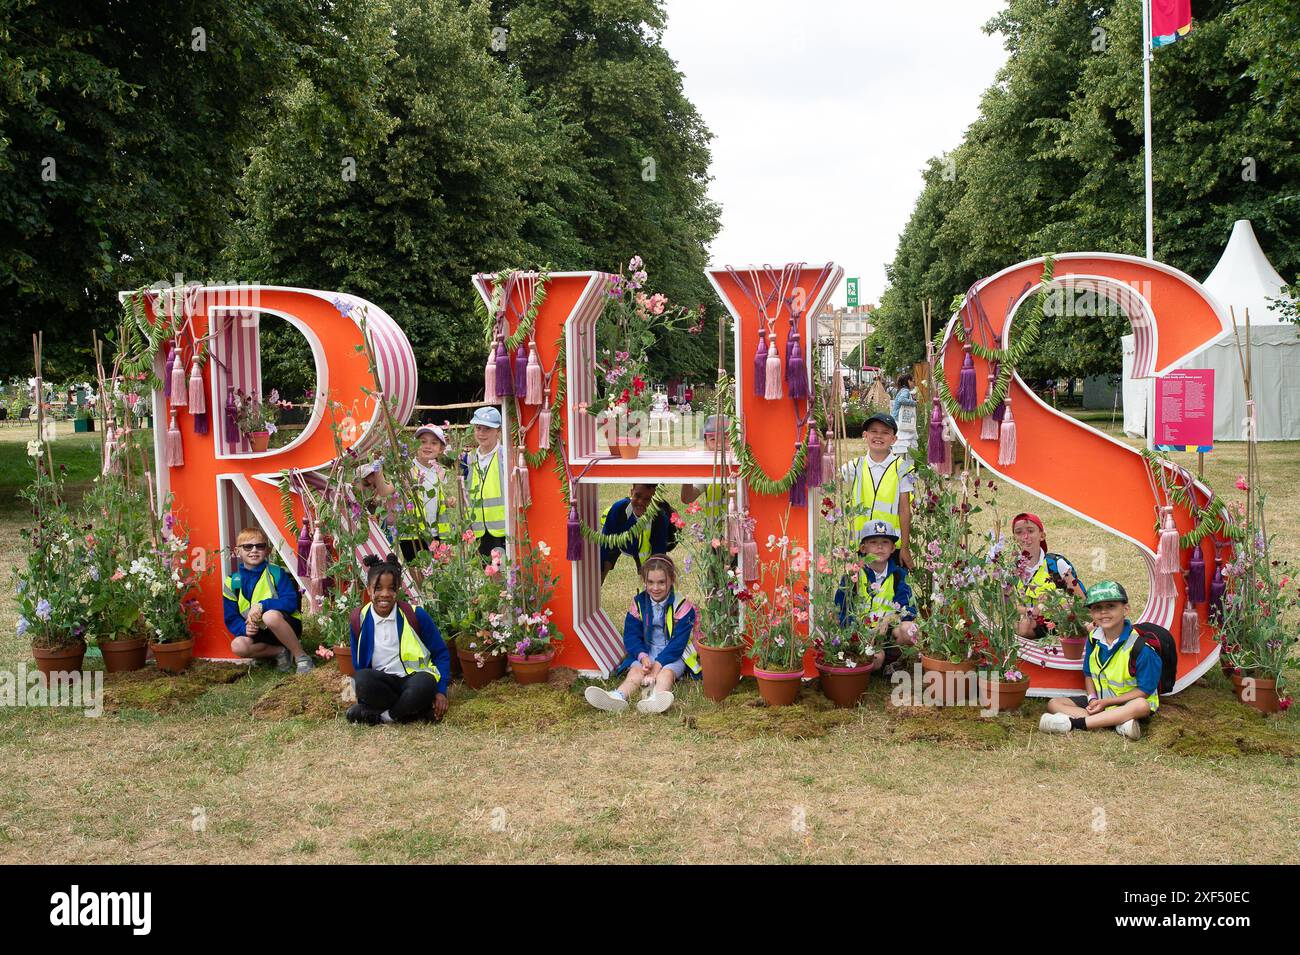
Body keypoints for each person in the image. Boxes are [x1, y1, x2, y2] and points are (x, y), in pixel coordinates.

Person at [1038, 581, 1161, 741]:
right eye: (1097, 608)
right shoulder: (1093, 638)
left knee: (1141, 705)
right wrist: (1093, 699)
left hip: (1129, 702)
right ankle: (1117, 722)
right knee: (1054, 704)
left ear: (1125, 609)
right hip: (1102, 700)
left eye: (1111, 606)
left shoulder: (1141, 648)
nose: (1104, 612)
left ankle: (1074, 724)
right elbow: (1088, 673)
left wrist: (1107, 702)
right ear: (1091, 613)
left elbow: (1144, 691)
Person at [585, 554, 699, 714]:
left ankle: (655, 699)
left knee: (665, 675)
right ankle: (618, 696)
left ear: (672, 579)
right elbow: (631, 635)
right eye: (650, 582)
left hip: (673, 655)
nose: (655, 588)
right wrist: (642, 656)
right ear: (644, 581)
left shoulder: (682, 606)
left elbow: (678, 643)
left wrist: (658, 666)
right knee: (636, 672)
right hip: (647, 651)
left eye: (661, 582)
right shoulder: (639, 603)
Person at [346, 553, 451, 725]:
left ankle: (384, 716)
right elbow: (358, 664)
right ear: (369, 589)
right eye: (378, 588)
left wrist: (441, 691)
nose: (385, 594)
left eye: (391, 588)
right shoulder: (359, 619)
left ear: (398, 590)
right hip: (385, 685)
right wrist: (359, 697)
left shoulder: (415, 615)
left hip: (413, 680)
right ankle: (414, 711)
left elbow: (441, 654)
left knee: (426, 682)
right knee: (359, 680)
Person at [223, 527, 313, 673]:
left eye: (260, 546)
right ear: (237, 551)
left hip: (285, 625)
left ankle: (301, 657)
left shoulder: (277, 573)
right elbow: (231, 617)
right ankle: (280, 651)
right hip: (258, 632)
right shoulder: (232, 582)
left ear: (268, 551)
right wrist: (244, 628)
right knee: (238, 646)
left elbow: (290, 602)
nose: (254, 550)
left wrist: (263, 605)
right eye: (247, 546)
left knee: (269, 615)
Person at [834, 521, 919, 673]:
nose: (880, 547)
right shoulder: (853, 575)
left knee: (909, 630)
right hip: (862, 635)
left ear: (893, 548)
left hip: (887, 633)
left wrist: (887, 619)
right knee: (875, 660)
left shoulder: (899, 575)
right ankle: (874, 663)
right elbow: (841, 611)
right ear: (863, 548)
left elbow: (909, 610)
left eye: (885, 542)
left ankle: (892, 661)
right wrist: (858, 633)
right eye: (873, 542)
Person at [843, 411, 914, 568]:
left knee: (892, 589)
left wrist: (905, 547)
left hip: (890, 546)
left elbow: (904, 510)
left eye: (885, 432)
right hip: (861, 545)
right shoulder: (854, 466)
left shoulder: (901, 469)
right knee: (861, 590)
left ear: (894, 439)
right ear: (865, 435)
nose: (879, 436)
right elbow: (828, 477)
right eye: (874, 431)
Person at [1007, 512, 1085, 639]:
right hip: (1032, 623)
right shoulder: (1012, 570)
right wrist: (1032, 611)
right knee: (1021, 625)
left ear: (1042, 536)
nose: (1025, 536)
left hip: (1062, 621)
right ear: (1014, 539)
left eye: (1030, 531)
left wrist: (1053, 605)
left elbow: (1081, 599)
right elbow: (1009, 606)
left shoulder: (1056, 564)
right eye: (1019, 532)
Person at [599, 483, 679, 583]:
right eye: (637, 495)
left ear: (656, 501)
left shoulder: (660, 520)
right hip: (623, 537)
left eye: (647, 499)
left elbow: (658, 560)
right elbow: (604, 548)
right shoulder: (618, 509)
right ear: (631, 492)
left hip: (651, 543)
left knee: (651, 574)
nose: (641, 502)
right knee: (601, 565)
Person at [461, 406, 507, 559]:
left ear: (498, 430)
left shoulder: (504, 456)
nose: (481, 433)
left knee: (501, 573)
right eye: (478, 428)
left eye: (487, 429)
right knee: (488, 573)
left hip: (501, 529)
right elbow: (466, 494)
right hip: (479, 529)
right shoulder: (469, 458)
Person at [401, 424, 452, 560]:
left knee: (439, 574)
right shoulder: (407, 470)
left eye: (434, 443)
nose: (428, 446)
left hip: (436, 532)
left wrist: (448, 501)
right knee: (417, 574)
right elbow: (389, 493)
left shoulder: (440, 472)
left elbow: (438, 500)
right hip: (413, 534)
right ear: (415, 445)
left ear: (441, 449)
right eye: (423, 442)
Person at [680, 414, 728, 522]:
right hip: (714, 532)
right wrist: (688, 470)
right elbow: (687, 498)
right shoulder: (708, 467)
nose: (719, 444)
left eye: (724, 438)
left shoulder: (740, 466)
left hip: (740, 530)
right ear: (706, 442)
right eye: (713, 439)